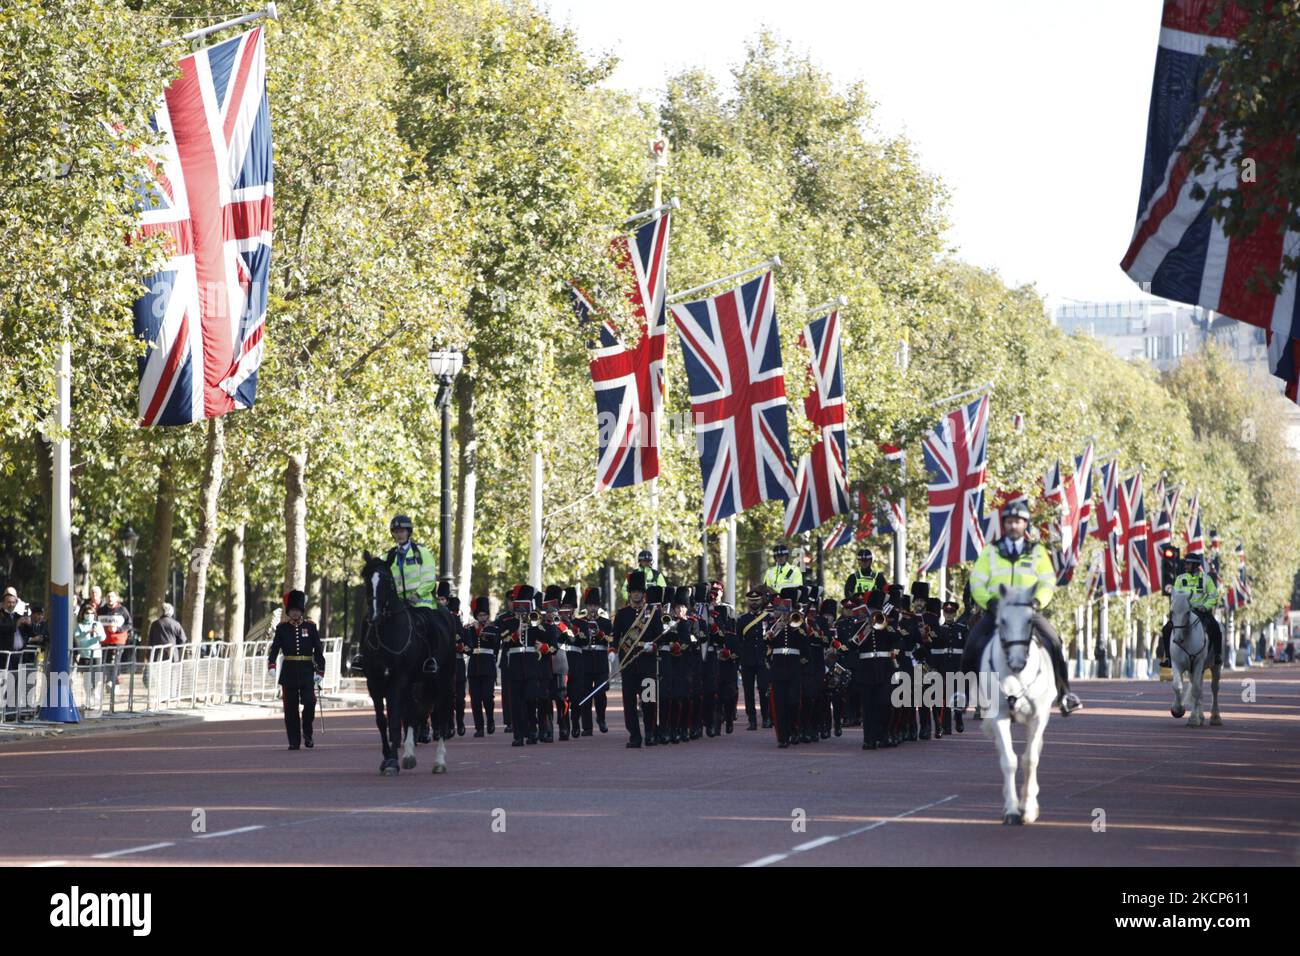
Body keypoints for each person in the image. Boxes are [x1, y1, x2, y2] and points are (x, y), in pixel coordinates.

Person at [959, 499, 1081, 716]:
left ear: (1025, 524)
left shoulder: (1036, 551)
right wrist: (988, 601)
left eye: (1019, 521)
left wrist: (1038, 602)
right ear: (1004, 524)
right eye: (1010, 521)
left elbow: (1047, 582)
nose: (1014, 525)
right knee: (972, 644)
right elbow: (977, 581)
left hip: (1027, 611)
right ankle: (961, 693)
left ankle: (1065, 694)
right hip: (997, 610)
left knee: (1054, 641)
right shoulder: (991, 552)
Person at [268, 590, 325, 750]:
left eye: (297, 610)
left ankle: (307, 731)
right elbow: (275, 649)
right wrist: (271, 665)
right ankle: (294, 740)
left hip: (307, 670)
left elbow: (318, 651)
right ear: (289, 611)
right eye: (292, 610)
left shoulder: (310, 627)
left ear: (301, 611)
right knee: (290, 708)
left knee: (310, 701)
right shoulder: (282, 628)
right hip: (289, 672)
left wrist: (320, 672)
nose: (294, 612)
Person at [613, 572, 662, 748]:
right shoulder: (622, 613)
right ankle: (634, 735)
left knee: (649, 700)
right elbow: (616, 636)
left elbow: (660, 637)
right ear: (629, 593)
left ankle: (650, 733)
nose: (636, 594)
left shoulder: (653, 613)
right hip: (628, 663)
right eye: (633, 591)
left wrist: (653, 646)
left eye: (639, 591)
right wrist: (613, 651)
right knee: (629, 702)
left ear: (643, 593)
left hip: (647, 662)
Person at [1157, 553, 1223, 669]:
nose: (1186, 566)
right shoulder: (1180, 579)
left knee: (1216, 628)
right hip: (1183, 612)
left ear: (1195, 565)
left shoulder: (1206, 579)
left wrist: (1205, 606)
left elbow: (1214, 596)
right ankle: (1168, 658)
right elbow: (1175, 596)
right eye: (1186, 563)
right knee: (1166, 629)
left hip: (1201, 612)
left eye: (1188, 563)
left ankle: (1217, 655)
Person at [765, 587, 808, 748]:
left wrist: (795, 628)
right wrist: (778, 627)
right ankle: (782, 736)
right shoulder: (773, 624)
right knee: (779, 703)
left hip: (793, 667)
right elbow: (767, 642)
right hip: (778, 667)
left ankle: (793, 729)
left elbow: (805, 648)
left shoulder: (798, 624)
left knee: (793, 702)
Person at [737, 587, 773, 730]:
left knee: (764, 689)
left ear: (762, 601)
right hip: (747, 660)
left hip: (763, 660)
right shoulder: (742, 620)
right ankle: (752, 720)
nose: (754, 603)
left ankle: (766, 718)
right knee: (748, 691)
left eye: (757, 600)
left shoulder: (768, 619)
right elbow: (739, 640)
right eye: (751, 601)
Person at [465, 596, 499, 737]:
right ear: (476, 616)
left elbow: (496, 645)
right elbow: (466, 646)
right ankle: (479, 727)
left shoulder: (493, 628)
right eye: (480, 615)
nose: (482, 617)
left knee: (487, 696)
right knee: (475, 699)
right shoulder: (469, 629)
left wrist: (482, 632)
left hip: (488, 666)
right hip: (474, 666)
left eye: (484, 614)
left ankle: (490, 720)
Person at [97, 590, 132, 683]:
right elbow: (96, 623)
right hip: (104, 641)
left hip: (117, 641)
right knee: (105, 662)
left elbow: (129, 624)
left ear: (116, 598)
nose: (110, 599)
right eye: (108, 597)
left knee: (114, 661)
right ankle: (111, 680)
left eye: (112, 597)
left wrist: (117, 629)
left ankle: (112, 682)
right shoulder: (101, 610)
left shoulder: (122, 610)